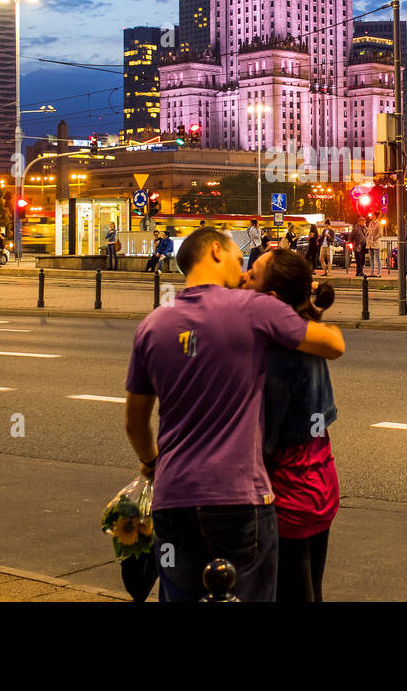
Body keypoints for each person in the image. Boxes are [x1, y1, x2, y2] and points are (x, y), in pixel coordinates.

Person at [123, 228, 345, 602]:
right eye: (239, 260)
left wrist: (151, 464)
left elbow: (134, 423)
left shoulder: (151, 325)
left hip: (173, 496)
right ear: (215, 250)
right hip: (238, 497)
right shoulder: (254, 310)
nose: (242, 272)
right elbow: (333, 344)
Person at [245, 249, 340, 602]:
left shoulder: (279, 352)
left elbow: (268, 440)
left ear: (270, 300)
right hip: (321, 485)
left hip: (289, 495)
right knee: (312, 587)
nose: (243, 278)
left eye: (252, 274)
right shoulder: (309, 335)